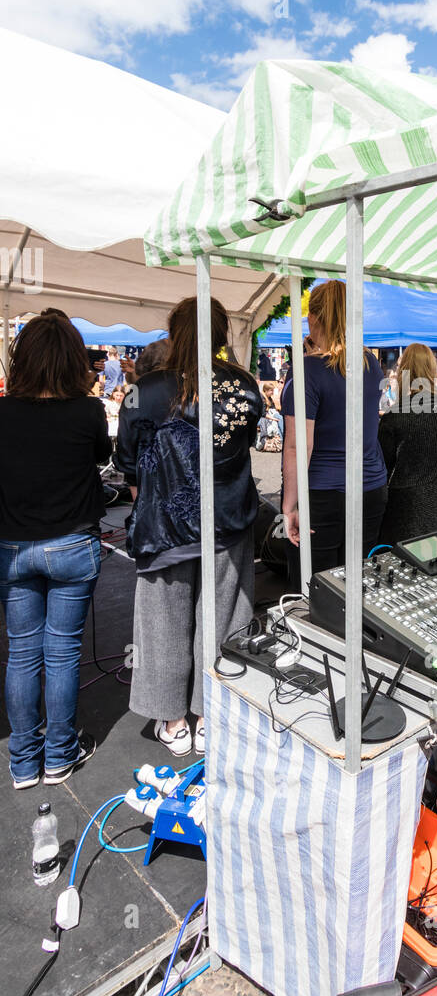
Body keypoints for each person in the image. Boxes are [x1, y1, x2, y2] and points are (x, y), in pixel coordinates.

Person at [115, 297, 262, 758]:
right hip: (227, 520)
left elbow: (126, 461)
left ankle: (173, 721)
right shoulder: (245, 387)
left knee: (163, 622)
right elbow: (245, 445)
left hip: (164, 525)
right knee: (221, 621)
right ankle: (209, 719)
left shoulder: (146, 389)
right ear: (222, 334)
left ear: (175, 332)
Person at [0, 311, 110, 788]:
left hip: (14, 546)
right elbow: (103, 460)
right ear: (71, 359)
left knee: (22, 654)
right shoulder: (86, 412)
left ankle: (24, 760)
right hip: (70, 545)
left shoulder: (3, 412)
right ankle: (59, 755)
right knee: (61, 654)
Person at [281, 280, 387, 575]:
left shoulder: (308, 371)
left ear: (312, 318)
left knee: (314, 590)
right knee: (356, 584)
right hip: (370, 488)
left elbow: (297, 446)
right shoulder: (370, 363)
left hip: (322, 493)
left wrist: (290, 505)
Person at [377, 343, 437, 543]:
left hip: (409, 507)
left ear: (403, 371)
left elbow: (384, 463)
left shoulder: (394, 416)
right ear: (432, 369)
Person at [256, 381, 284, 451]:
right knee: (278, 420)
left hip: (268, 417)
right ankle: (283, 440)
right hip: (260, 419)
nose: (273, 392)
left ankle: (282, 440)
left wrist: (275, 416)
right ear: (266, 390)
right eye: (271, 390)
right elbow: (263, 414)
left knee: (279, 418)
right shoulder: (262, 398)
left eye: (273, 390)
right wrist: (274, 418)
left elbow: (274, 409)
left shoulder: (269, 398)